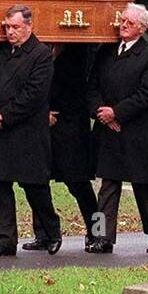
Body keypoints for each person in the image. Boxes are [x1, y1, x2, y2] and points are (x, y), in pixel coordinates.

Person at [0, 4, 62, 256]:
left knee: (34, 187)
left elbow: (34, 95)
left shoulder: (41, 54)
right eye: (7, 27)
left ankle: (51, 232)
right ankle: (5, 239)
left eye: (15, 27)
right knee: (0, 186)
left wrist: (4, 114)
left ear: (29, 26)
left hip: (27, 132)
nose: (10, 32)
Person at [87, 3, 148, 254]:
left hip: (135, 132)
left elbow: (146, 94)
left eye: (129, 23)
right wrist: (101, 112)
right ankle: (102, 237)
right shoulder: (106, 51)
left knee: (143, 184)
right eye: (122, 21)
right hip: (107, 129)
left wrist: (117, 112)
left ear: (141, 28)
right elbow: (92, 86)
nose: (123, 26)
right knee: (108, 185)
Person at [42, 42, 108, 252]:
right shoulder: (39, 50)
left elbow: (83, 87)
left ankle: (98, 230)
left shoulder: (81, 51)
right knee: (37, 181)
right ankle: (44, 234)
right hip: (43, 124)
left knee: (78, 184)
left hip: (72, 126)